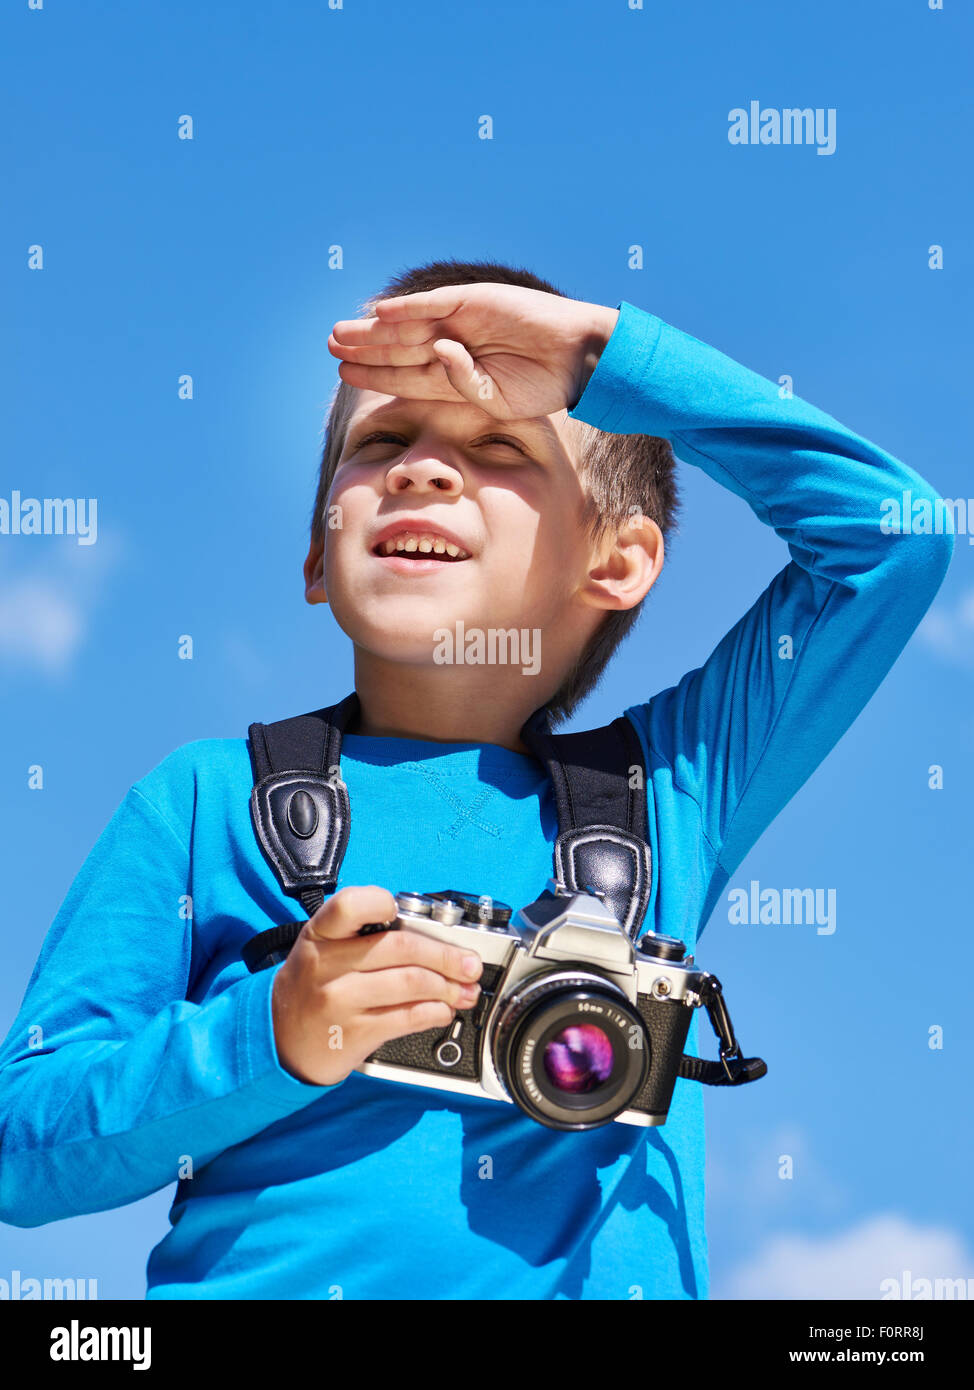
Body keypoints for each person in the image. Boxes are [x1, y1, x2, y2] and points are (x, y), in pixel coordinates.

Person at [0, 259, 953, 1300]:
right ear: (317, 556)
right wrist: (271, 1031)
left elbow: (889, 536)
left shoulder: (669, 797)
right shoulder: (202, 802)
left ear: (618, 561)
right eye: (379, 442)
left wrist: (600, 360)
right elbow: (23, 1147)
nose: (421, 470)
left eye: (497, 442)